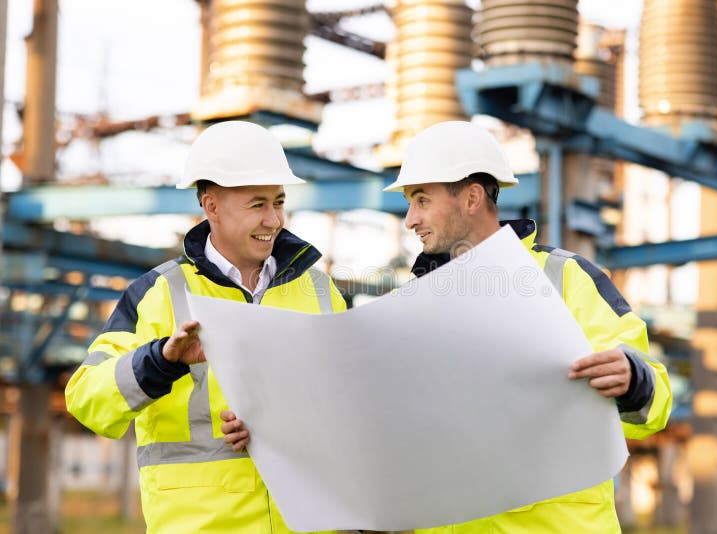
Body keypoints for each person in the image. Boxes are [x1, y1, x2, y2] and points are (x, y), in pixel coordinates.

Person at [224, 121, 672, 533]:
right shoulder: (413, 307)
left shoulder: (564, 277)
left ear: (472, 198)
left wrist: (633, 380)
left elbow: (653, 404)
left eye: (422, 200)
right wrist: (276, 429)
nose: (410, 220)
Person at [65, 120, 348, 534]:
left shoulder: (320, 291)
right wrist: (161, 362)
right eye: (257, 204)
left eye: (279, 202)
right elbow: (86, 398)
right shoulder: (159, 293)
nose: (273, 220)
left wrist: (286, 423)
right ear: (211, 206)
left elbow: (351, 402)